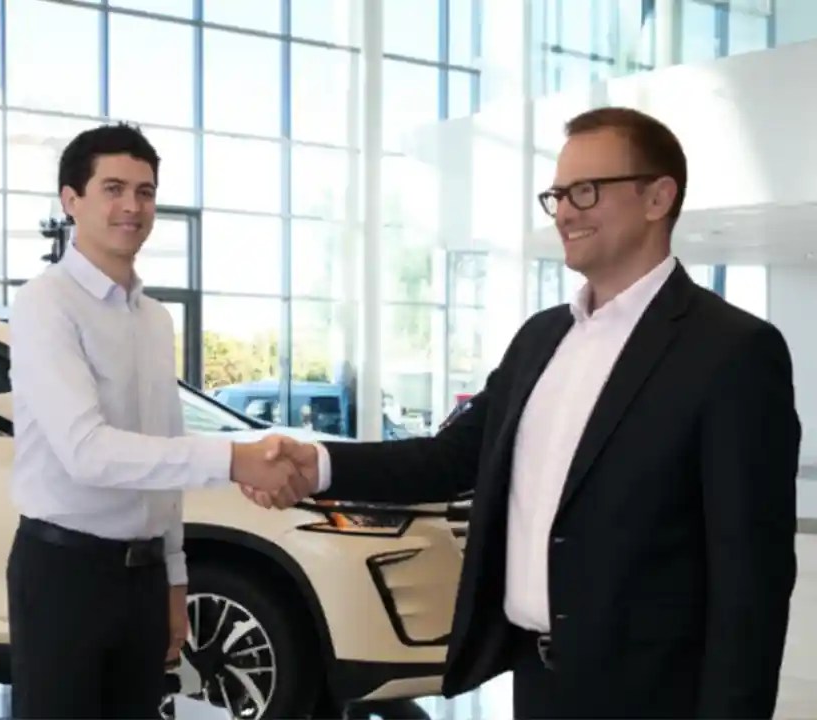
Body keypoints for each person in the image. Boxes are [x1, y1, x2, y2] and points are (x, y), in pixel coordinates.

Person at [252, 107, 801, 718]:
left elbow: (751, 577)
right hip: (537, 682)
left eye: (587, 191)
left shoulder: (731, 351)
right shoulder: (542, 338)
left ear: (658, 198)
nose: (566, 211)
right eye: (558, 194)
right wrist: (320, 463)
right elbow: (450, 458)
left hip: (655, 695)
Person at [5, 122, 304, 719]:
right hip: (65, 573)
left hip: (142, 580)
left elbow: (160, 450)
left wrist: (173, 576)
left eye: (145, 192)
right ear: (72, 200)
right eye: (113, 188)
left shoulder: (154, 319)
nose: (132, 206)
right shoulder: (46, 303)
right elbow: (88, 452)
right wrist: (234, 461)